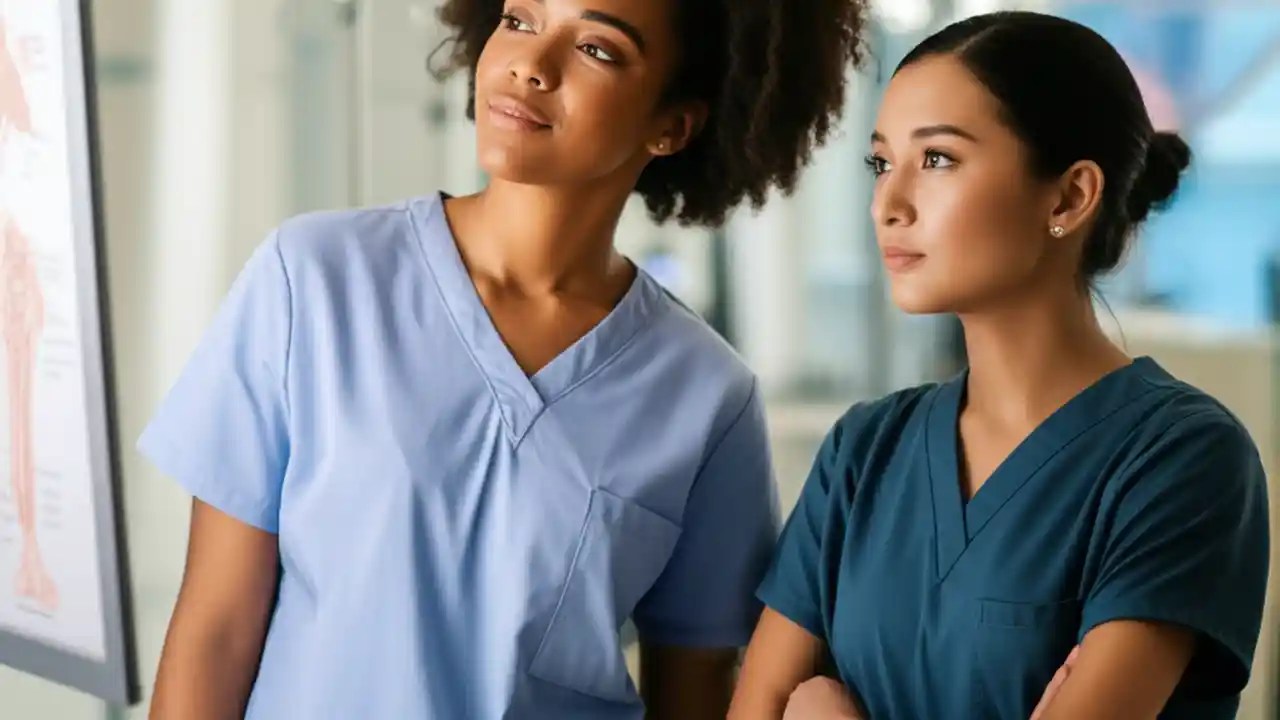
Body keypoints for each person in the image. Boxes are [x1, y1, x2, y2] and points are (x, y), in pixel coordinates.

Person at [138, 0, 866, 718]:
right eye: (520, 20)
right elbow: (215, 629)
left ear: (672, 125)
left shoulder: (707, 394)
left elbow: (694, 687)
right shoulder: (315, 278)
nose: (531, 65)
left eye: (597, 49)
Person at [728, 11, 1269, 720]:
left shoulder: (1181, 459)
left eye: (938, 159)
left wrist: (825, 710)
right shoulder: (864, 453)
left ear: (1070, 196)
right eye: (881, 163)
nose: (888, 204)